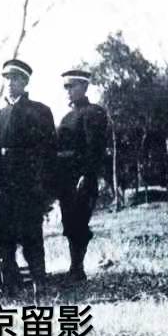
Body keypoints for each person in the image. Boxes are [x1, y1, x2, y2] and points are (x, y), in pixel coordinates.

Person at [0, 59, 57, 293]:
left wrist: (44, 189)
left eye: (15, 78)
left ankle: (39, 281)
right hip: (3, 185)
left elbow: (48, 153)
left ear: (25, 82)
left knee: (31, 233)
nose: (10, 83)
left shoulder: (40, 111)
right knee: (4, 234)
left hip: (29, 183)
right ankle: (10, 281)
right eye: (6, 78)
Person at [56, 69, 108, 282]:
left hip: (82, 177)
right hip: (65, 178)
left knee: (79, 222)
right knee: (69, 222)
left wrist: (86, 175)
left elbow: (94, 148)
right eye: (66, 87)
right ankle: (73, 267)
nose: (68, 91)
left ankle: (78, 268)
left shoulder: (94, 113)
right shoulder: (67, 116)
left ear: (84, 87)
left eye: (73, 86)